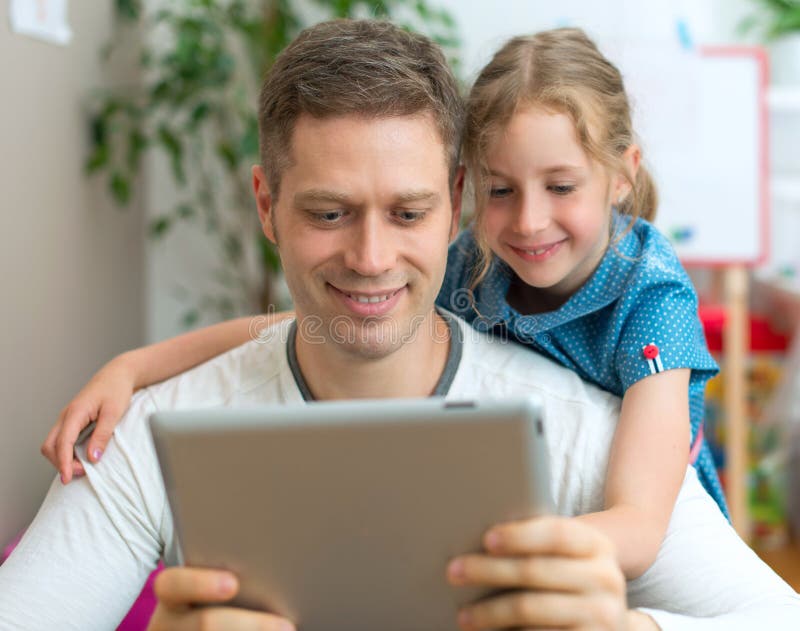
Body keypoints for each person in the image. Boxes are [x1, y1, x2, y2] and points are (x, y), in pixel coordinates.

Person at [6, 18, 796, 630]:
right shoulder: (147, 434)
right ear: (265, 204)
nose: (372, 257)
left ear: (452, 203)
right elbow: (274, 330)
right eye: (328, 212)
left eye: (408, 212)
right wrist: (137, 366)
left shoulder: (592, 418)